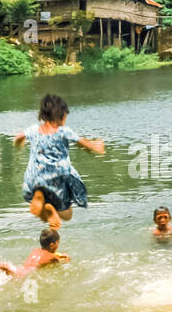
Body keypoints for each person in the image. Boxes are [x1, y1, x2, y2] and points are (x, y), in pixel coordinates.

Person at [13, 93, 104, 229]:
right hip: (56, 179)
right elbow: (84, 144)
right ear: (61, 114)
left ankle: (46, 207)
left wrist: (18, 144)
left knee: (37, 211)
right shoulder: (64, 131)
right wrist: (96, 146)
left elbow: (19, 136)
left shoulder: (34, 129)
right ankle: (51, 208)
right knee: (67, 215)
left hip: (34, 178)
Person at [0, 228, 68, 278]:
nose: (58, 246)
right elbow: (63, 263)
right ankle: (13, 272)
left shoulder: (35, 250)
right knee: (21, 275)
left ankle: (11, 270)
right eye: (58, 243)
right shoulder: (52, 257)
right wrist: (66, 257)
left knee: (19, 271)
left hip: (23, 269)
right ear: (52, 245)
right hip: (27, 275)